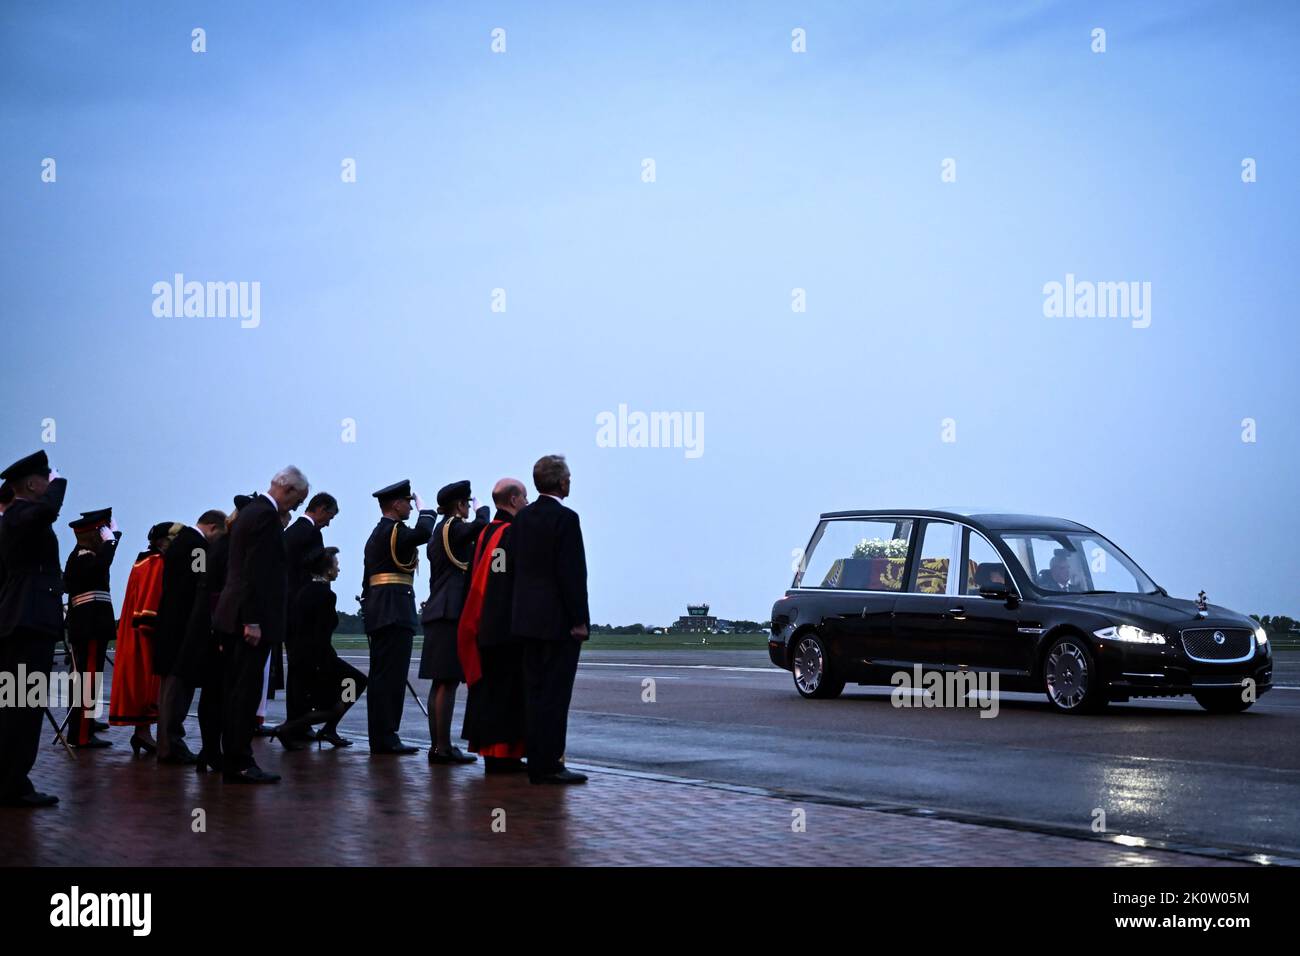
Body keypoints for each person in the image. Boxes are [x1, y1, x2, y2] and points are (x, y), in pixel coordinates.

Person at [214, 467, 308, 784]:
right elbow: (256, 572)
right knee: (245, 691)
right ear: (287, 489)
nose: (296, 506)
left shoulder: (251, 512)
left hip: (234, 615)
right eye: (298, 499)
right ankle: (239, 761)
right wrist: (252, 620)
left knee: (236, 690)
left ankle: (233, 757)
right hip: (250, 620)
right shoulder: (265, 516)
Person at [511, 455, 590, 785]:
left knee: (534, 693)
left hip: (526, 621)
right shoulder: (567, 519)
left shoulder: (521, 519)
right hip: (557, 623)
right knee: (556, 696)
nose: (570, 482)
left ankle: (535, 760)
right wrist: (580, 619)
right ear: (561, 482)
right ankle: (551, 764)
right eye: (568, 477)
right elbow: (571, 574)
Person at [0, 450, 67, 807]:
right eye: (44, 479)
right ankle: (13, 784)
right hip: (30, 621)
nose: (48, 484)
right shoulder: (22, 513)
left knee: (16, 705)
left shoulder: (13, 518)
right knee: (23, 708)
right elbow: (48, 510)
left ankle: (10, 779)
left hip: (19, 620)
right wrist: (60, 482)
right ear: (30, 483)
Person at [457, 478, 529, 773]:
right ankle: (504, 757)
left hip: (482, 624)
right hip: (504, 628)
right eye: (524, 497)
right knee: (505, 694)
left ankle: (494, 755)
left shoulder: (486, 533)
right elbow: (510, 583)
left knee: (489, 695)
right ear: (513, 500)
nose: (526, 503)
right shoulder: (511, 533)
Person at [361, 479, 435, 754]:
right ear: (396, 504)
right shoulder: (393, 532)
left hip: (381, 611)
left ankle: (381, 736)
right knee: (390, 679)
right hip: (394, 612)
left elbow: (366, 580)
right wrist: (426, 510)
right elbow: (423, 534)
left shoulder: (377, 534)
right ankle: (387, 737)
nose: (410, 507)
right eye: (408, 502)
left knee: (383, 678)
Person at [419, 480, 489, 765]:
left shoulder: (440, 532)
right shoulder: (454, 527)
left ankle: (439, 746)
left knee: (441, 683)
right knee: (447, 683)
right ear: (460, 505)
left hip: (439, 611)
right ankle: (442, 749)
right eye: (466, 503)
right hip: (449, 612)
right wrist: (482, 509)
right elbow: (479, 526)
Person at [272, 546, 367, 747]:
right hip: (319, 657)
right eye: (336, 566)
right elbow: (321, 633)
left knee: (344, 689)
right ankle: (294, 728)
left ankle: (325, 728)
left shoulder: (304, 591)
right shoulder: (326, 595)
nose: (338, 570)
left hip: (302, 655)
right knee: (354, 684)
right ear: (328, 569)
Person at [154, 510, 227, 765]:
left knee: (169, 689)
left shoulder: (180, 542)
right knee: (176, 689)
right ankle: (170, 745)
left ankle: (167, 743)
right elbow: (200, 584)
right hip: (182, 628)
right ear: (212, 527)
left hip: (170, 625)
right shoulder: (196, 546)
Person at [109, 522, 180, 755]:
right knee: (146, 685)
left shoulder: (144, 561)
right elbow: (150, 606)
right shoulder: (155, 563)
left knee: (143, 685)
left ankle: (143, 734)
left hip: (136, 632)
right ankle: (143, 733)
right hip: (146, 634)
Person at [188, 495, 247, 774]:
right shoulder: (228, 547)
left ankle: (209, 750)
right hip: (219, 630)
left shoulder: (222, 545)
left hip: (212, 628)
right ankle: (212, 750)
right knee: (217, 695)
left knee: (215, 695)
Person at [280, 492, 337, 743]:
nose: (328, 523)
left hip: (288, 609)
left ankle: (295, 721)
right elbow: (314, 571)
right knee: (309, 671)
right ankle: (301, 724)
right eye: (330, 516)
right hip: (307, 611)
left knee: (295, 669)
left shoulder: (289, 532)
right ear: (321, 509)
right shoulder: (312, 534)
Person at [62, 508, 121, 749]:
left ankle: (86, 721)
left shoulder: (83, 555)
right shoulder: (84, 556)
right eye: (103, 531)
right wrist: (112, 541)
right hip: (89, 624)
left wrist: (115, 536)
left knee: (90, 677)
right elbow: (100, 567)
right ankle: (81, 734)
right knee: (86, 678)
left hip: (91, 623)